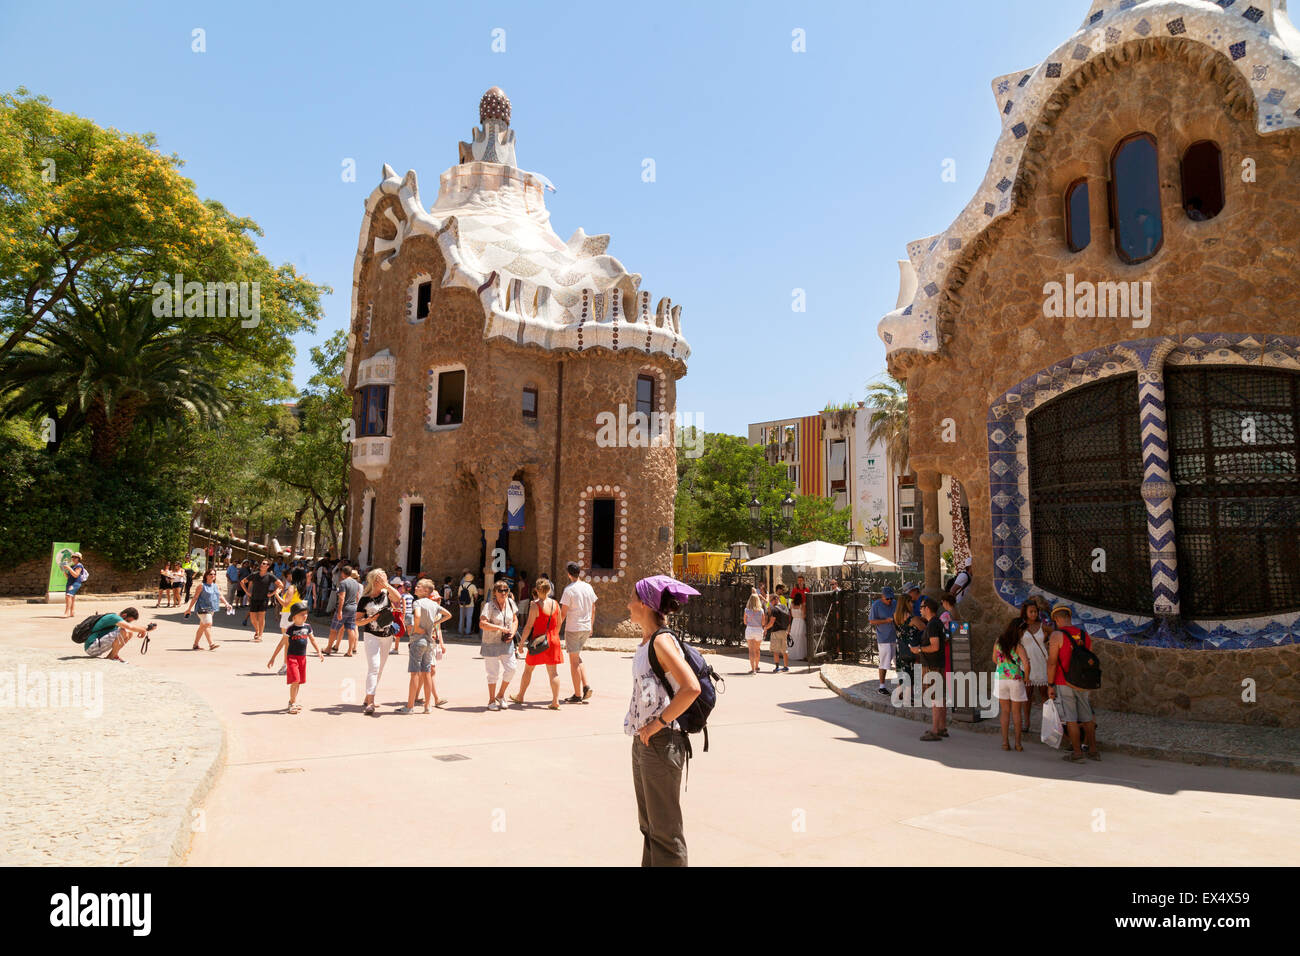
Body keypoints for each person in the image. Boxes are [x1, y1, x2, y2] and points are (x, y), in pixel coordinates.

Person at [625, 574, 702, 867]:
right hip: (644, 740)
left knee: (665, 831)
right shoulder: (646, 641)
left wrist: (657, 724)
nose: (628, 605)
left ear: (644, 604)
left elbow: (691, 687)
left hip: (662, 740)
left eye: (632, 599)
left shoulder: (662, 641)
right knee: (650, 827)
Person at [1046, 605, 1099, 762]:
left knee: (1071, 718)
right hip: (1083, 682)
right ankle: (1093, 751)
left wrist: (1050, 684)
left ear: (1056, 619)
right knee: (1087, 716)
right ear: (1069, 617)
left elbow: (1052, 663)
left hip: (1064, 681)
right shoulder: (1084, 635)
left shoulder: (1056, 636)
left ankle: (1077, 753)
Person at [356, 568, 403, 716]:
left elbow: (398, 599)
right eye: (383, 578)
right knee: (374, 667)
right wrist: (371, 619)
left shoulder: (387, 594)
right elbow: (357, 622)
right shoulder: (365, 599)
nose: (386, 580)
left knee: (380, 668)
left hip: (387, 635)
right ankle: (370, 702)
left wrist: (388, 586)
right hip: (371, 635)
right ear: (375, 580)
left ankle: (368, 696)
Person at [400, 579, 451, 714]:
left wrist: (417, 628)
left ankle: (410, 706)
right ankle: (427, 706)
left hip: (418, 640)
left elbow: (416, 615)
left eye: (419, 586)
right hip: (429, 642)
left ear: (426, 591)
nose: (415, 587)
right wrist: (435, 623)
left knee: (415, 673)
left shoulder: (417, 602)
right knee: (427, 673)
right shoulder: (433, 605)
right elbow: (448, 614)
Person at [511, 578, 564, 709]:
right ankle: (555, 701)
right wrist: (553, 635)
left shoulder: (535, 605)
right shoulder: (555, 604)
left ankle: (520, 696)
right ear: (549, 590)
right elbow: (559, 623)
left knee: (528, 669)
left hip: (538, 641)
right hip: (553, 640)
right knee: (553, 673)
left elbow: (528, 626)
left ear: (537, 590)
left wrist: (521, 643)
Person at [267, 602, 323, 714]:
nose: (305, 616)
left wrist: (319, 652)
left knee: (299, 682)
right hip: (292, 658)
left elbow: (312, 640)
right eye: (302, 614)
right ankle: (292, 703)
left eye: (306, 613)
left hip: (302, 658)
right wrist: (273, 658)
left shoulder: (308, 627)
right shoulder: (290, 629)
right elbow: (282, 643)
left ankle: (293, 701)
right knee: (295, 680)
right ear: (294, 617)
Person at [909, 596, 948, 741]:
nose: (919, 609)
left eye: (921, 607)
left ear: (927, 609)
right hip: (936, 664)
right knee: (940, 698)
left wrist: (919, 650)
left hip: (932, 666)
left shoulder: (932, 625)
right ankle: (942, 727)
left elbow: (935, 646)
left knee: (935, 698)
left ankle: (935, 730)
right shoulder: (935, 623)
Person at [558, 560, 597, 703]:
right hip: (586, 627)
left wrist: (556, 629)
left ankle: (577, 694)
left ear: (569, 574)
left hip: (574, 628)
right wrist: (591, 625)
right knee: (577, 657)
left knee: (573, 662)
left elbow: (563, 613)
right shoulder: (588, 587)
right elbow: (593, 608)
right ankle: (586, 686)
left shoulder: (569, 590)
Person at [479, 580, 519, 710]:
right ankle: (491, 700)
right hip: (491, 643)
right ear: (495, 592)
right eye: (500, 590)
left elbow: (514, 620)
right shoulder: (489, 606)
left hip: (507, 643)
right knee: (493, 673)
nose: (503, 593)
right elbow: (482, 624)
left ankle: (500, 695)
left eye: (505, 590)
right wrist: (500, 628)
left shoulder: (511, 603)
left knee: (512, 668)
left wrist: (512, 632)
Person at [993, 618, 1029, 751]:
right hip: (1015, 680)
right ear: (1019, 630)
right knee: (1016, 713)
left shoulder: (998, 642)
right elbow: (1026, 664)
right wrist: (1027, 678)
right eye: (1023, 632)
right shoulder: (1018, 646)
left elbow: (994, 659)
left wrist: (1004, 664)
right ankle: (1018, 744)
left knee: (1005, 712)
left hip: (1001, 679)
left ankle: (1004, 742)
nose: (1024, 634)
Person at [1019, 599, 1050, 734]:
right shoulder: (1020, 627)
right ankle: (1027, 723)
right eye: (1031, 611)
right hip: (1027, 665)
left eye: (1035, 611)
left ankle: (1048, 723)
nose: (1033, 614)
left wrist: (1047, 640)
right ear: (1025, 612)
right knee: (1027, 695)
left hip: (1042, 664)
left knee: (1045, 694)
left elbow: (1054, 633)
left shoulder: (1042, 625)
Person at [184, 567, 231, 650]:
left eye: (214, 574)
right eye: (210, 574)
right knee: (208, 624)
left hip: (211, 609)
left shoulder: (215, 586)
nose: (212, 575)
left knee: (202, 627)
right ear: (206, 576)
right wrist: (189, 609)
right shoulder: (201, 586)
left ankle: (195, 644)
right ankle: (211, 644)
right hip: (202, 608)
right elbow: (195, 597)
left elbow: (220, 595)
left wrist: (227, 604)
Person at [83, 607, 152, 661]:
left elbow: (130, 627)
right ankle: (112, 657)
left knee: (129, 633)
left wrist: (144, 629)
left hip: (95, 647)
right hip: (91, 647)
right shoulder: (114, 617)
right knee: (124, 631)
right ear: (124, 615)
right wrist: (145, 629)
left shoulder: (116, 619)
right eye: (127, 620)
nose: (127, 622)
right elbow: (130, 627)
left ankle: (112, 656)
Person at [241, 558, 280, 643]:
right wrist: (247, 592)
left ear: (268, 566)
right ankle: (257, 630)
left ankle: (260, 635)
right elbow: (242, 582)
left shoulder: (270, 576)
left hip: (264, 599)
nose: (262, 565)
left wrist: (273, 593)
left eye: (264, 564)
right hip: (254, 598)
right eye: (262, 563)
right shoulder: (254, 574)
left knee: (261, 618)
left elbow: (281, 585)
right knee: (252, 618)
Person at [325, 564, 361, 656]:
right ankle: (350, 651)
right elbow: (357, 596)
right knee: (351, 629)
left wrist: (340, 610)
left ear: (343, 573)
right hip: (353, 608)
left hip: (344, 607)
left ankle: (329, 648)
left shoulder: (343, 583)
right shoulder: (356, 583)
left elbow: (342, 597)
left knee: (334, 629)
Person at [869, 585, 898, 695]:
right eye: (888, 598)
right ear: (882, 597)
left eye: (891, 598)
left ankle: (901, 685)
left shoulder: (895, 603)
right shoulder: (876, 605)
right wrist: (886, 620)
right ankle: (882, 686)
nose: (890, 600)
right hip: (884, 638)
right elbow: (871, 621)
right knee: (884, 662)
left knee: (898, 662)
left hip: (895, 636)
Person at [766, 588, 790, 672]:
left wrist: (765, 628)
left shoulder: (774, 609)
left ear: (776, 599)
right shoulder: (785, 607)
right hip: (784, 631)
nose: (771, 602)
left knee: (775, 650)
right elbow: (789, 620)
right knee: (784, 650)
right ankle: (786, 666)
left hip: (776, 631)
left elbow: (772, 622)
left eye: (771, 600)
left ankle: (777, 667)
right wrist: (788, 630)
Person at [60, 551, 88, 618]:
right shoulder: (72, 566)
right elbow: (68, 577)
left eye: (75, 557)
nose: (73, 558)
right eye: (72, 557)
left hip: (75, 583)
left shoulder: (79, 566)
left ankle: (66, 613)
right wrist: (64, 571)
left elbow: (76, 575)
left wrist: (68, 568)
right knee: (71, 597)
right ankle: (72, 612)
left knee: (68, 596)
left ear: (79, 558)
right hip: (70, 583)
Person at [742, 592, 764, 674]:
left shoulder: (746, 610)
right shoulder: (761, 610)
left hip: (750, 629)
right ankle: (757, 666)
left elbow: (744, 621)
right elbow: (763, 622)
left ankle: (753, 669)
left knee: (751, 650)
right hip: (758, 630)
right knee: (757, 649)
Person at [788, 586, 807, 664]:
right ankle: (801, 655)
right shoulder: (802, 605)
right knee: (801, 637)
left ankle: (793, 654)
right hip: (800, 621)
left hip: (794, 622)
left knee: (794, 637)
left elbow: (792, 615)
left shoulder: (792, 604)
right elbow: (803, 615)